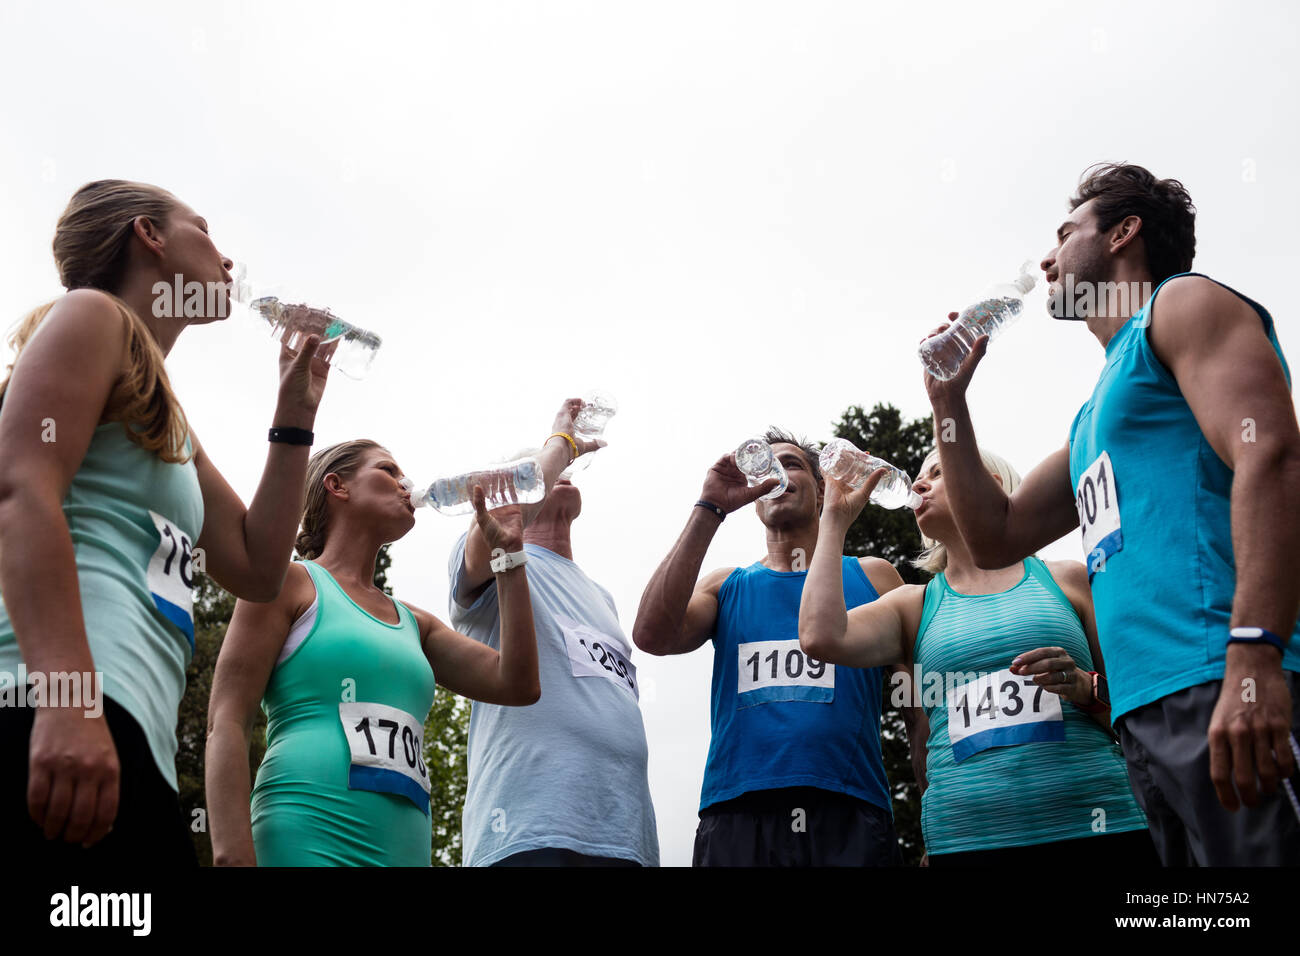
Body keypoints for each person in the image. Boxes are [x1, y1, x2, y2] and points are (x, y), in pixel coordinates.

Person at [924, 162, 1300, 865]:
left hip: (1220, 673)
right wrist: (950, 406)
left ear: (1124, 232)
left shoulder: (1183, 304)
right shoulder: (1097, 410)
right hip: (1141, 712)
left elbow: (1272, 457)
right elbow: (996, 536)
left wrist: (1255, 655)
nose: (1047, 256)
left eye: (1066, 234)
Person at [0, 179, 328, 865]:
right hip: (53, 707)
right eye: (202, 229)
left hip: (129, 734)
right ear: (148, 234)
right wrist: (69, 703)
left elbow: (257, 566)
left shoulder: (166, 417)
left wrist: (294, 417)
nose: (227, 262)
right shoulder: (93, 315)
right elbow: (19, 490)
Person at [799, 447, 1156, 865]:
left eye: (938, 471)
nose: (918, 483)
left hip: (1100, 825)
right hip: (965, 840)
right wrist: (834, 520)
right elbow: (819, 635)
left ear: (993, 484)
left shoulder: (1068, 578)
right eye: (918, 475)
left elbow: (1138, 709)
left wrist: (1082, 686)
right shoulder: (912, 606)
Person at [205, 440, 540, 866]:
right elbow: (227, 721)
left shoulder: (415, 624)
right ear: (337, 485)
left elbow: (518, 683)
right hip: (307, 833)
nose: (407, 485)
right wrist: (232, 855)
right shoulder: (286, 583)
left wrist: (508, 556)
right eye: (389, 471)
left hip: (404, 851)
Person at [634, 429, 924, 867]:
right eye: (765, 466)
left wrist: (933, 818)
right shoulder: (727, 585)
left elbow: (918, 712)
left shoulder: (873, 577)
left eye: (791, 464)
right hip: (737, 813)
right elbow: (652, 635)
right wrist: (709, 507)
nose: (777, 474)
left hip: (849, 811)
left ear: (823, 489)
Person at [448, 399, 659, 867]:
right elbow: (500, 527)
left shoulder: (600, 597)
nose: (559, 472)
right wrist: (560, 441)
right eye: (535, 469)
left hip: (624, 840)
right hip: (528, 832)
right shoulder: (491, 562)